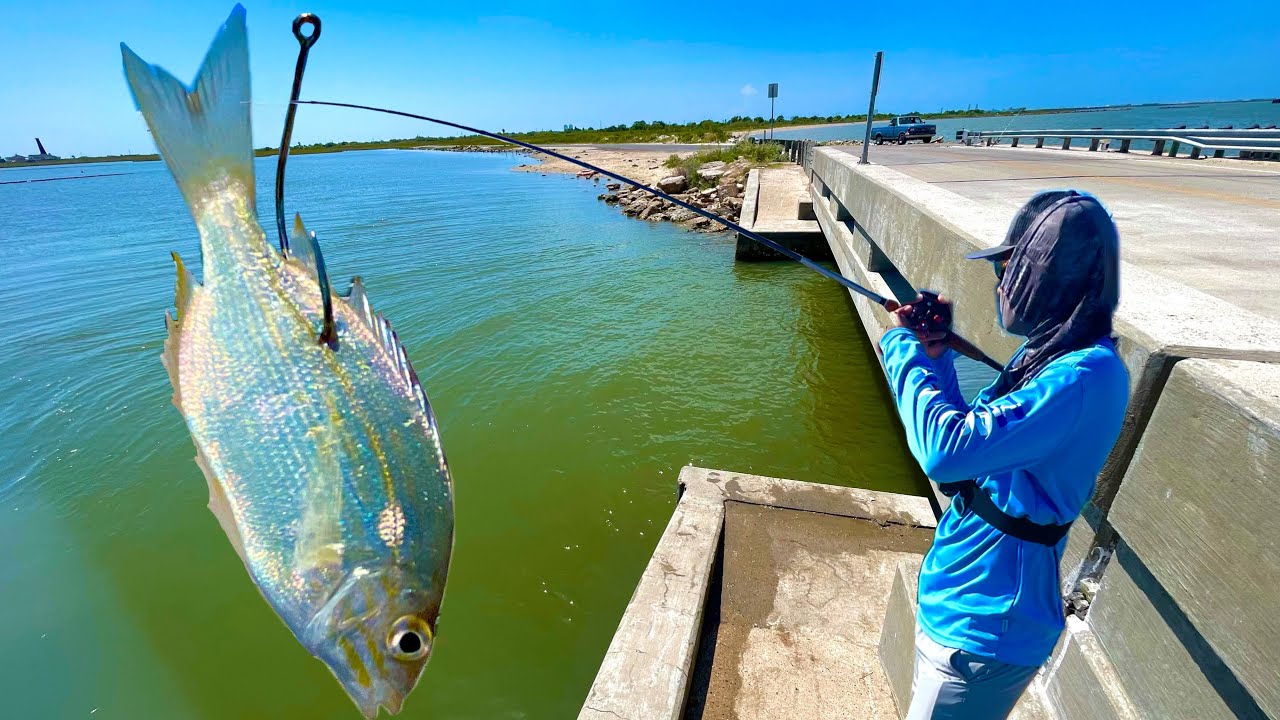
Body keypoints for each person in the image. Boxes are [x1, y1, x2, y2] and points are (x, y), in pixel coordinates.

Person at [877, 190, 1130, 720]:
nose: (1000, 284)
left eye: (1008, 267)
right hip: (962, 599)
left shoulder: (1081, 375)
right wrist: (935, 355)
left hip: (986, 629)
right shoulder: (1055, 351)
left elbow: (946, 453)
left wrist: (901, 347)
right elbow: (977, 443)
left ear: (1045, 274)